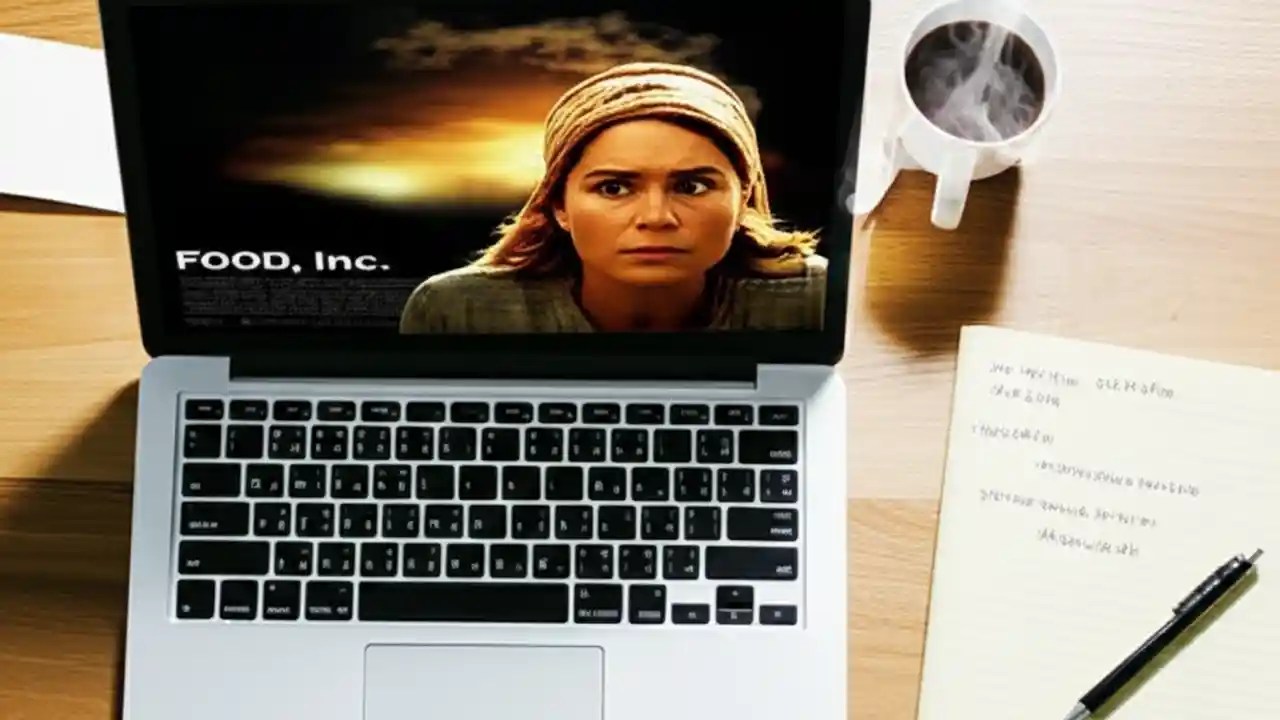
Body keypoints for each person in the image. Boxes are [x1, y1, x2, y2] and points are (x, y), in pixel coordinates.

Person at [399, 61, 827, 334]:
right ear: (559, 205)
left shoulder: (817, 300)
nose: (656, 218)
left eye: (692, 186)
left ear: (743, 199)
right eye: (614, 187)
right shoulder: (456, 312)